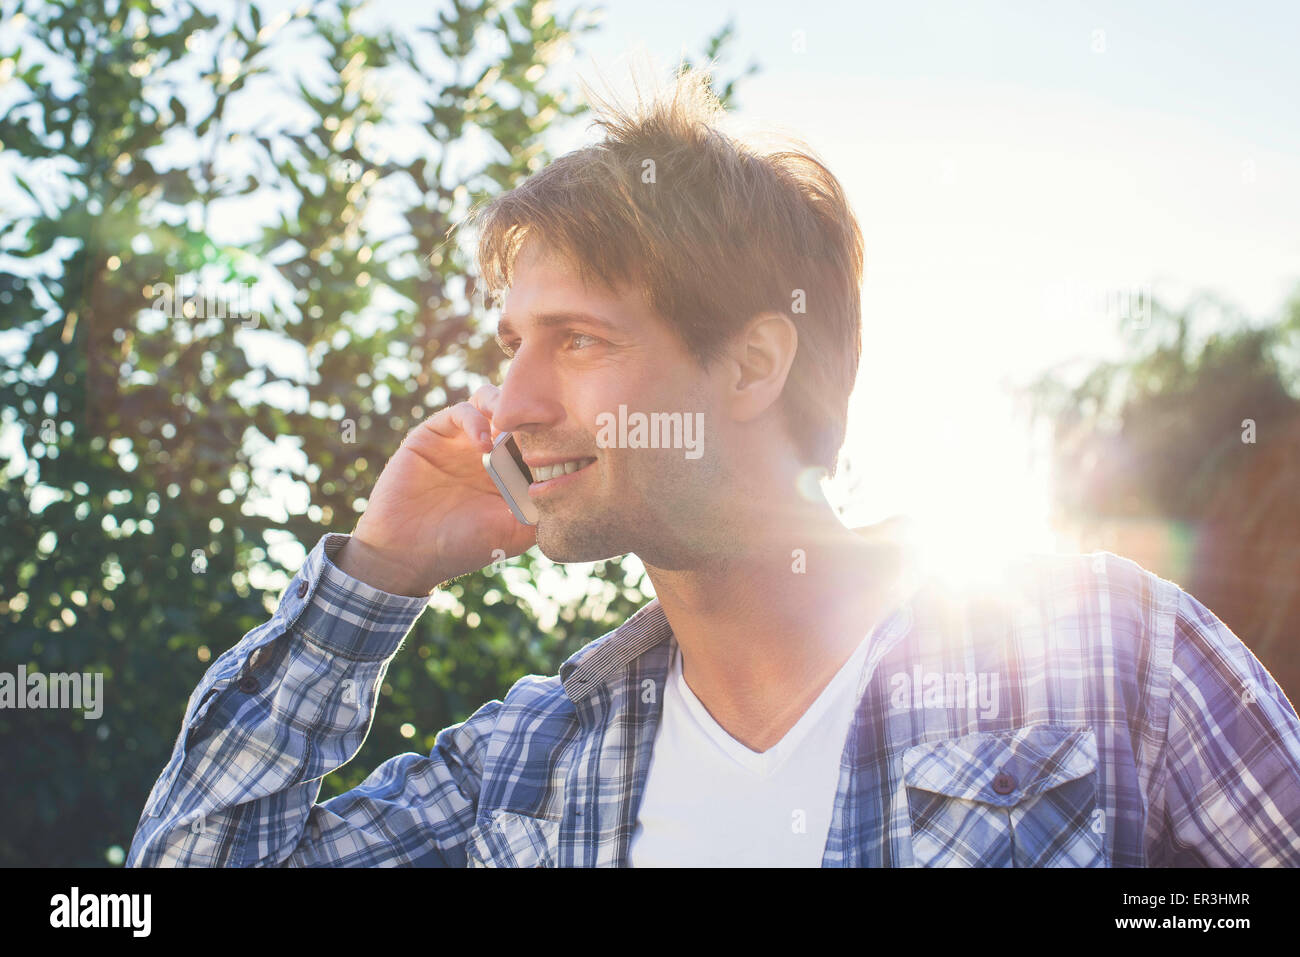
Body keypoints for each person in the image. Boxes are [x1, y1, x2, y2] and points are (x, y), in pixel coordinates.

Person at [128, 70, 1300, 867]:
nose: (510, 404)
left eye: (578, 340)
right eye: (512, 344)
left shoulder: (1107, 657)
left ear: (749, 367)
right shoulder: (524, 768)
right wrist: (374, 579)